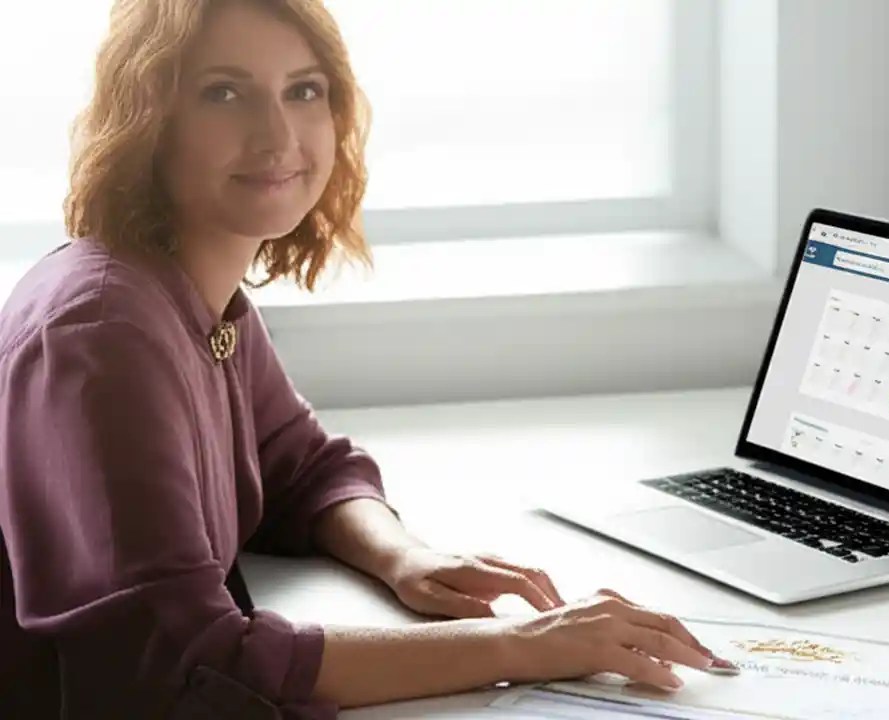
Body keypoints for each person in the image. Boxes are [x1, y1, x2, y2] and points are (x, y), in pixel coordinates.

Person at [0, 0, 733, 717]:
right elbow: (186, 667)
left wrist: (402, 557)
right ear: (147, 117)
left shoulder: (193, 292)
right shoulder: (102, 333)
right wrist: (524, 644)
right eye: (223, 93)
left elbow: (302, 469)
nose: (277, 134)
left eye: (303, 90)